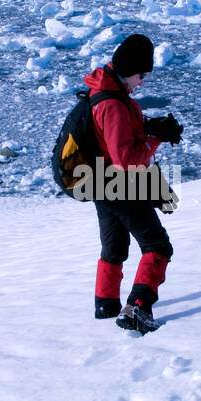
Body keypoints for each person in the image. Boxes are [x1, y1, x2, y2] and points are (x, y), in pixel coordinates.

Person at [85, 33, 183, 335]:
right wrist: (154, 140)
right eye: (141, 75)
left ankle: (106, 306)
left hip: (100, 182)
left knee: (114, 247)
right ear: (129, 69)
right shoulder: (113, 103)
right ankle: (137, 309)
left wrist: (150, 126)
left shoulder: (106, 92)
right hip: (121, 185)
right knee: (157, 246)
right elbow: (126, 160)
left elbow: (115, 135)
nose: (141, 82)